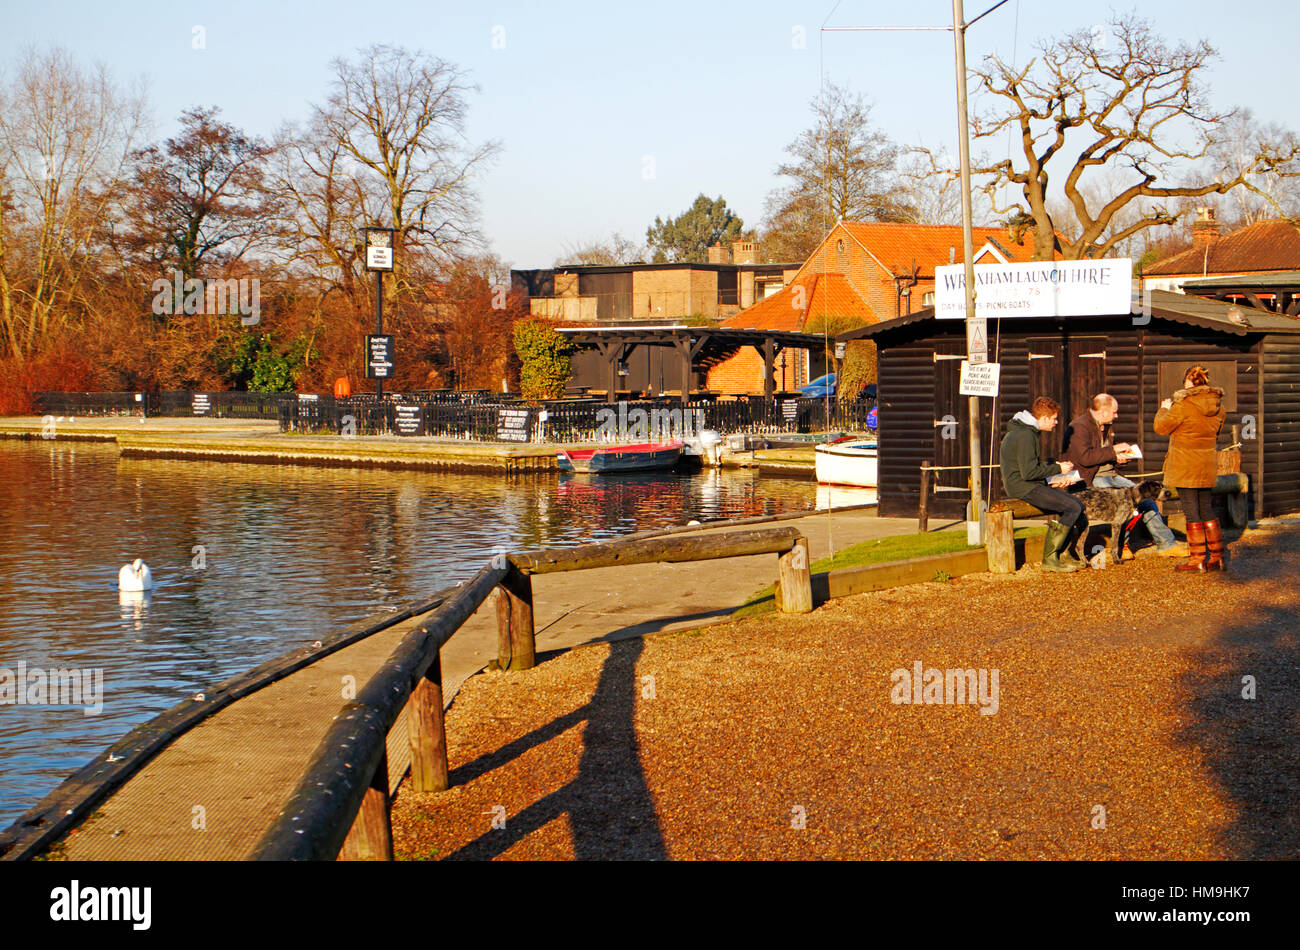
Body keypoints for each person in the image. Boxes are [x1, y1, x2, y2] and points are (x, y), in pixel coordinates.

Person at [1061, 393, 1182, 558]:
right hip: (1091, 478)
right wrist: (1113, 450)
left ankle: (1166, 544)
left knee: (1146, 498)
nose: (1116, 416)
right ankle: (1122, 546)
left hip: (1111, 474)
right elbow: (1085, 458)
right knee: (1121, 502)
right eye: (1114, 412)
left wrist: (1119, 459)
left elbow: (1106, 455)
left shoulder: (1107, 426)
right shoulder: (1079, 427)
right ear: (1103, 412)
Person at [1154, 365, 1227, 572]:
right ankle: (1217, 557)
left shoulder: (1183, 404)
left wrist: (1164, 409)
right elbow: (1217, 433)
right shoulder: (1218, 406)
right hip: (1207, 463)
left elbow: (1161, 427)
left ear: (1189, 382)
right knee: (1206, 507)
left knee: (1190, 509)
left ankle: (1197, 560)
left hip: (1185, 463)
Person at [1001, 396, 1085, 573]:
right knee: (1072, 507)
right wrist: (1058, 468)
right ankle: (1050, 558)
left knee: (1077, 504)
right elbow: (1028, 472)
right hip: (1023, 487)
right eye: (1054, 419)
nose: (1056, 423)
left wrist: (1052, 480)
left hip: (1027, 484)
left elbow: (1029, 469)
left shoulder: (1024, 431)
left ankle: (1063, 554)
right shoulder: (1025, 435)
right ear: (1045, 418)